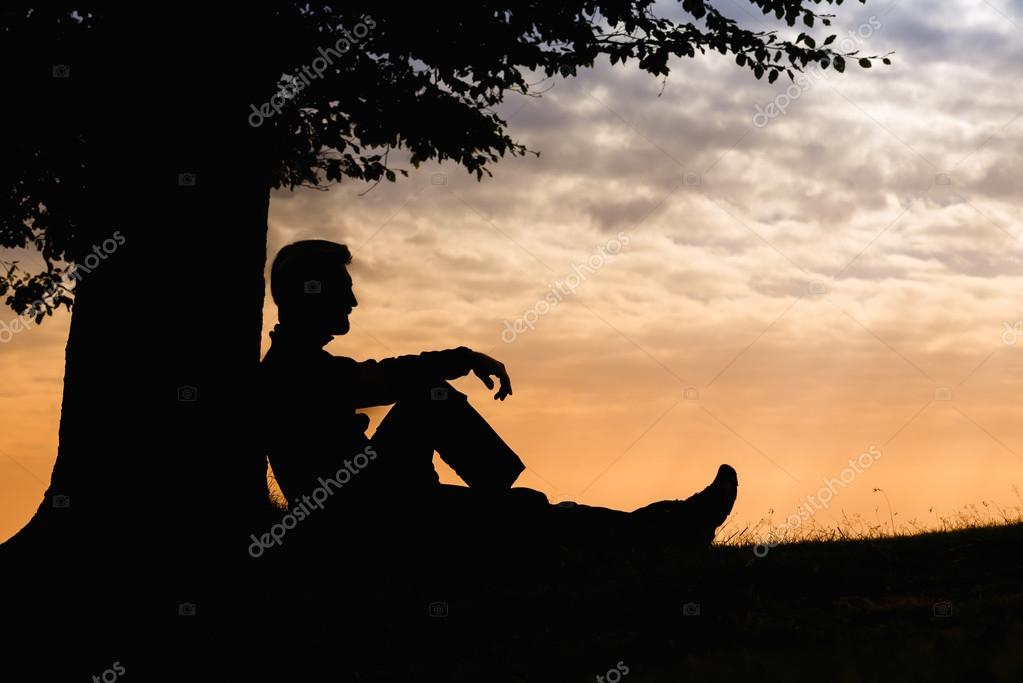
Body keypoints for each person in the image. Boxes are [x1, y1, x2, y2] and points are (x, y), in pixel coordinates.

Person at [259, 239, 738, 558]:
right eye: (343, 291)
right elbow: (384, 379)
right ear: (311, 294)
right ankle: (674, 529)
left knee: (516, 502)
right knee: (526, 514)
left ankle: (669, 525)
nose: (353, 302)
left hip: (375, 500)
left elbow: (381, 380)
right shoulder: (295, 370)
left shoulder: (301, 363)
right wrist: (464, 357)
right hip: (365, 520)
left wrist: (461, 359)